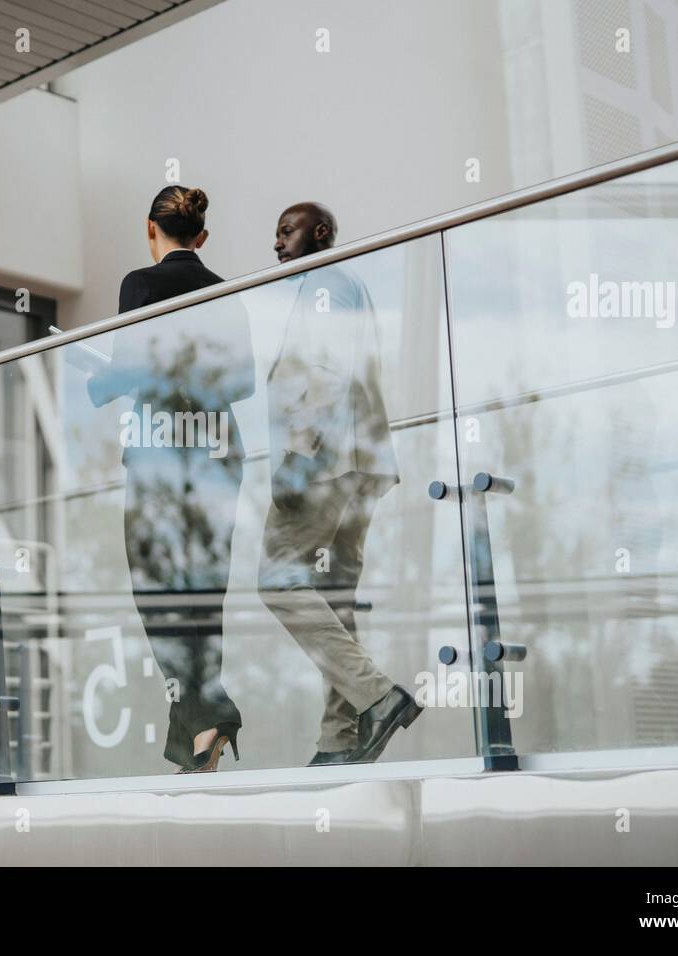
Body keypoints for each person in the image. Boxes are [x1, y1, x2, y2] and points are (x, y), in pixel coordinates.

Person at [87, 185, 255, 772]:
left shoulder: (142, 283)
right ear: (201, 237)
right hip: (218, 452)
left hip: (162, 455)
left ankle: (212, 713)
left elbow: (130, 365)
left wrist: (98, 383)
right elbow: (243, 383)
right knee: (205, 598)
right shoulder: (226, 293)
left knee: (158, 596)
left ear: (150, 228)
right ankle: (197, 744)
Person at [259, 202, 422, 766]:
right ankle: (341, 738)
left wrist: (297, 456)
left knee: (278, 581)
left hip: (327, 461)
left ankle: (379, 696)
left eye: (287, 231)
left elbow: (326, 372)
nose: (277, 243)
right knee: (333, 600)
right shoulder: (346, 284)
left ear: (320, 233)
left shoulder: (326, 282)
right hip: (363, 464)